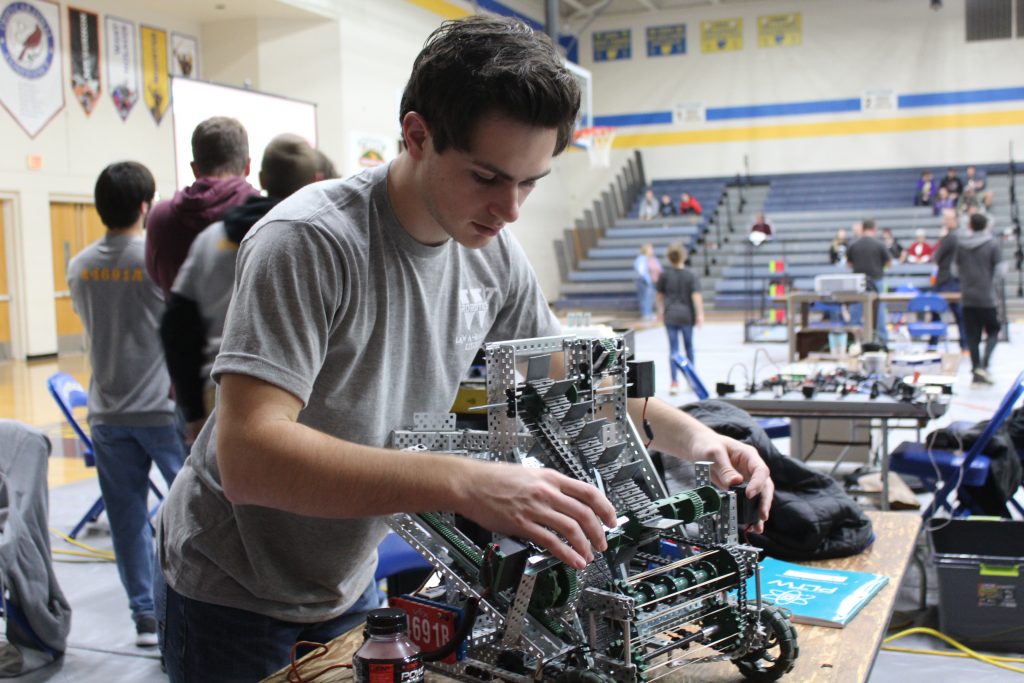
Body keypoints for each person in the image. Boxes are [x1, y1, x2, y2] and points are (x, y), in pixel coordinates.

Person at [156, 16, 773, 682]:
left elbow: (574, 388)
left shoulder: (492, 256)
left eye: (530, 183)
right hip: (231, 591)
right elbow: (250, 457)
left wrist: (696, 439)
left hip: (346, 575)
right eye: (487, 177)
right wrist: (467, 481)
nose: (511, 209)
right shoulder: (309, 242)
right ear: (417, 135)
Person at [67, 162, 186, 647]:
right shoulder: (154, 257)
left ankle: (142, 615)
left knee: (126, 519)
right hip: (160, 409)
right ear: (145, 206)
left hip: (108, 413)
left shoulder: (79, 265)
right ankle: (180, 609)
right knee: (189, 515)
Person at [161, 135, 320, 445]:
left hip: (218, 392)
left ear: (259, 178)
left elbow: (176, 329)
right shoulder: (319, 242)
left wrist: (192, 413)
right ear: (317, 180)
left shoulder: (211, 238)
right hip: (299, 395)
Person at [145, 116, 258, 298]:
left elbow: (156, 278)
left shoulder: (160, 217)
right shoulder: (264, 214)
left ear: (194, 168)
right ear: (248, 166)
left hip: (180, 325)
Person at [956, 213, 1002, 386]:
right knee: (993, 331)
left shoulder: (962, 245)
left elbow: (955, 269)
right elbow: (1000, 270)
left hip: (967, 296)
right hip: (986, 297)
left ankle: (976, 369)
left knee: (972, 336)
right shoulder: (992, 244)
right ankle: (984, 364)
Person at [657, 243, 703, 395]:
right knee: (689, 347)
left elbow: (659, 296)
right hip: (686, 315)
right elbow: (696, 296)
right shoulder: (690, 275)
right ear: (684, 256)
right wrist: (700, 314)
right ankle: (691, 381)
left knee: (674, 350)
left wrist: (660, 311)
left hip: (670, 315)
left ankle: (674, 382)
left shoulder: (664, 275)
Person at [846, 219, 891, 343]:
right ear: (874, 229)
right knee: (879, 311)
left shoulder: (854, 244)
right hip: (876, 281)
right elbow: (889, 263)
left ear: (863, 228)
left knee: (855, 312)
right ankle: (882, 340)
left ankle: (852, 341)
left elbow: (849, 264)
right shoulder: (879, 244)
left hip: (858, 283)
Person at [932, 208, 966, 352]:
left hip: (947, 280)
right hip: (956, 279)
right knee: (959, 315)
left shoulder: (950, 237)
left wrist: (942, 238)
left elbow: (936, 257)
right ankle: (965, 345)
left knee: (937, 311)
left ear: (955, 220)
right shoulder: (962, 236)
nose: (945, 221)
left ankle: (933, 344)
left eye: (948, 218)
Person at [634, 243, 661, 320]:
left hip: (653, 281)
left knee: (651, 298)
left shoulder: (653, 258)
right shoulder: (641, 258)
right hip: (644, 282)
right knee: (645, 298)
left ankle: (649, 313)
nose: (652, 251)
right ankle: (646, 314)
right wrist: (647, 280)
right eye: (650, 249)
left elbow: (659, 268)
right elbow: (641, 271)